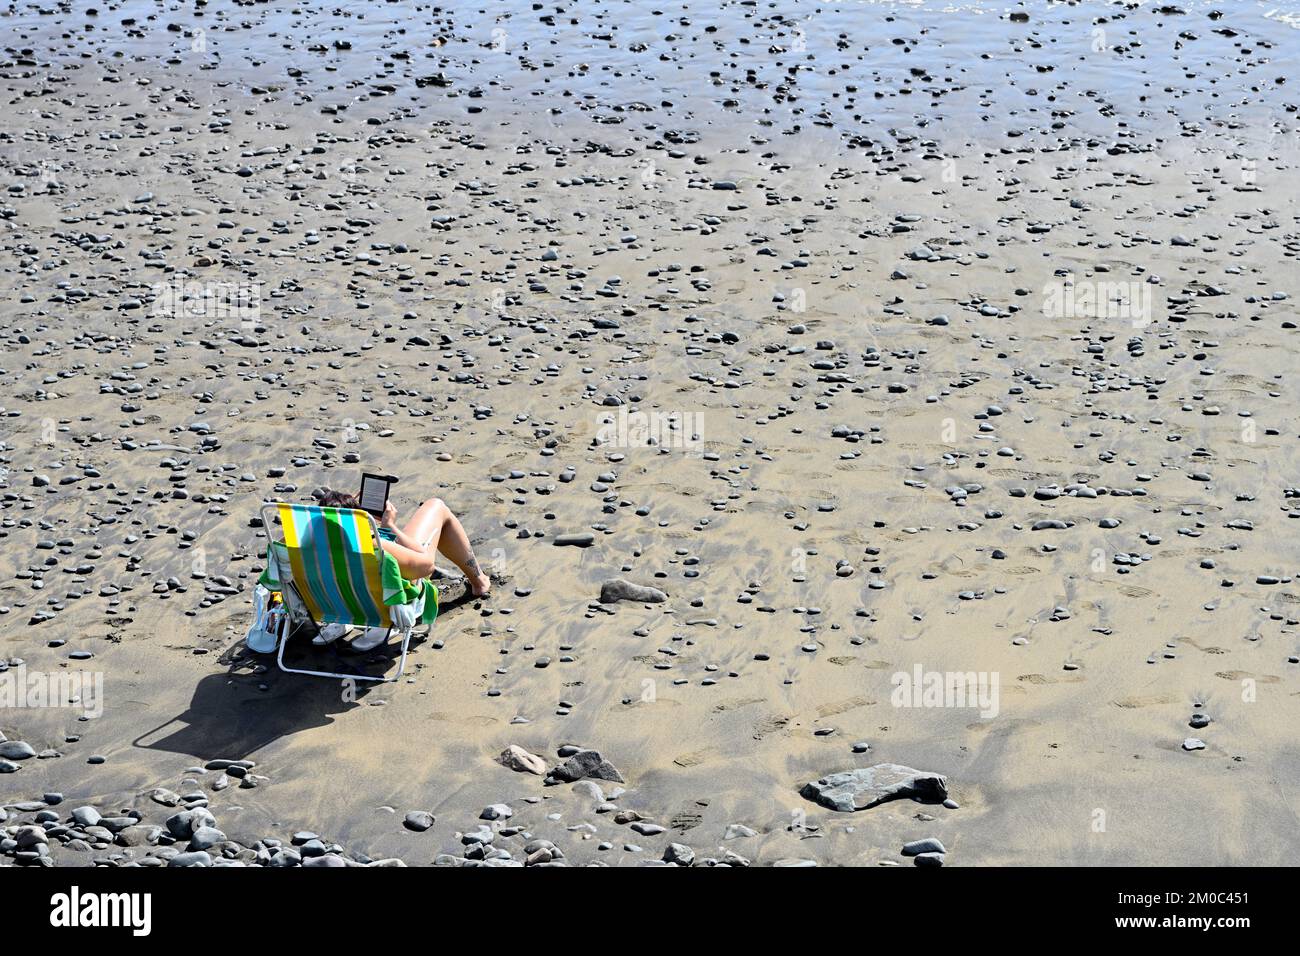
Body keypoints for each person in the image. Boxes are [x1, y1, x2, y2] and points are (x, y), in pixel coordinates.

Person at [312, 489, 491, 651]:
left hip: (339, 606)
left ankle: (344, 621)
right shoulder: (373, 546)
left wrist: (341, 506)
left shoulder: (301, 546)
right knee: (437, 506)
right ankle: (479, 582)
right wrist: (390, 526)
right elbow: (426, 566)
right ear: (356, 521)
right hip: (385, 606)